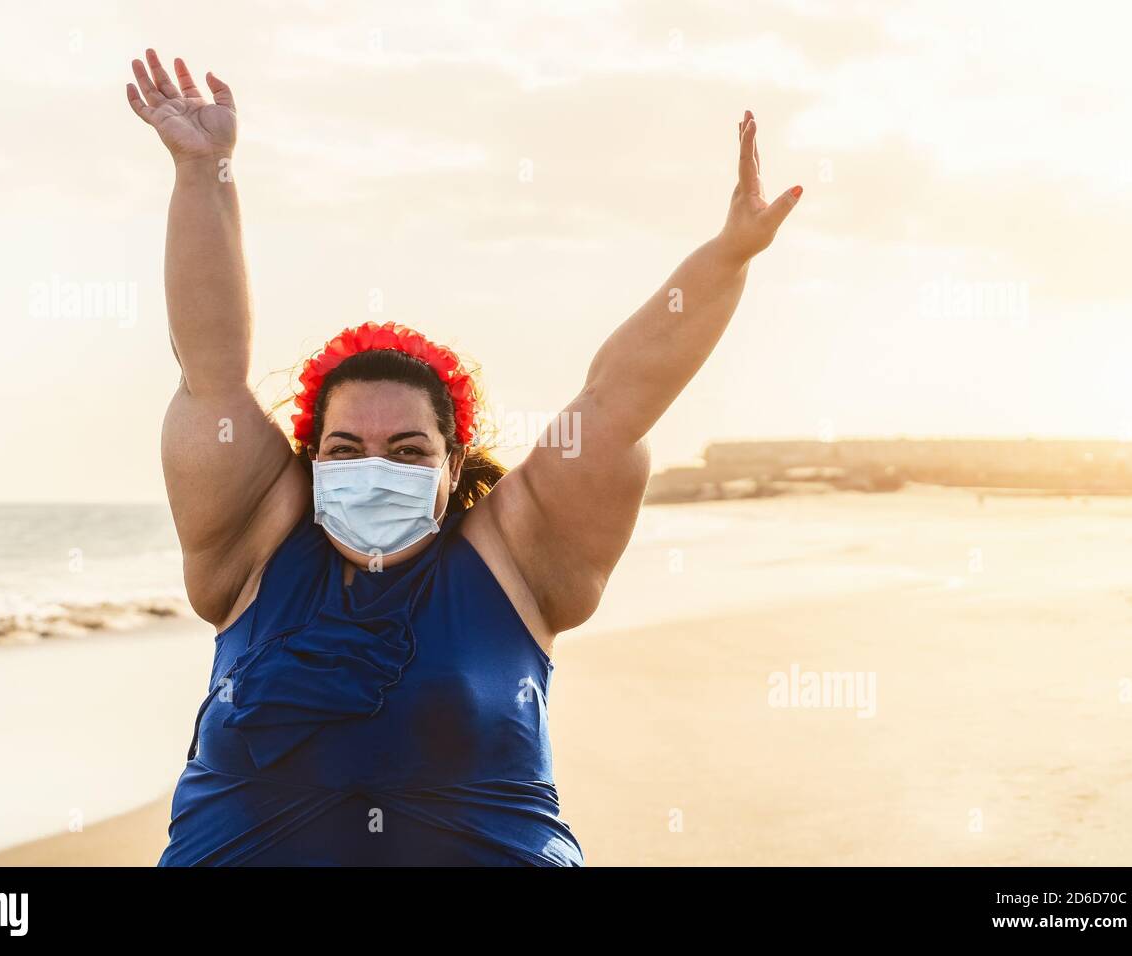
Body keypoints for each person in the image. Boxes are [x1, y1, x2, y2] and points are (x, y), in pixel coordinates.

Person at [125, 48, 801, 866]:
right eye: (348, 447)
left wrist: (727, 256)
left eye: (408, 450)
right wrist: (204, 171)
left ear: (454, 466)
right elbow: (213, 371)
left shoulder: (518, 557)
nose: (376, 466)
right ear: (310, 460)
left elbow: (617, 403)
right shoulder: (249, 555)